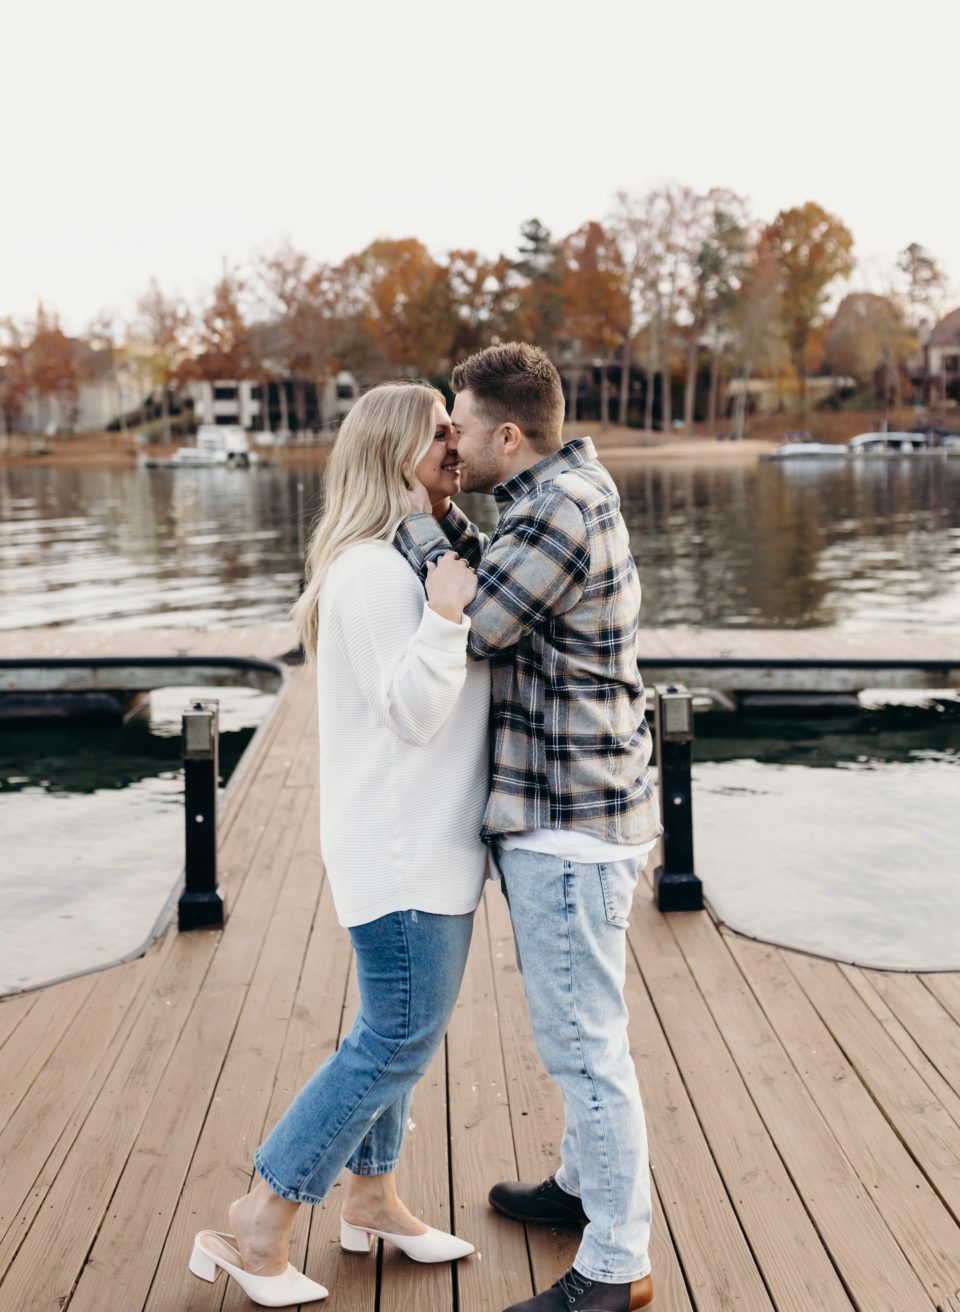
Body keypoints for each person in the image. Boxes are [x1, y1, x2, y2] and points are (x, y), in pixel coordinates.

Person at [190, 383, 490, 1308]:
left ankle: (372, 1197)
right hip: (401, 852)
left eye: (456, 426)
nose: (455, 441)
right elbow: (410, 712)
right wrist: (446, 616)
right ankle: (260, 1215)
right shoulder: (372, 573)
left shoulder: (415, 557)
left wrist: (445, 587)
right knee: (394, 1040)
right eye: (437, 431)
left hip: (428, 846)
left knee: (401, 1035)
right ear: (390, 453)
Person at [396, 343, 659, 1312]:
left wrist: (416, 528)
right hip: (580, 812)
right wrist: (452, 524)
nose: (452, 445)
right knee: (584, 1033)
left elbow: (476, 621)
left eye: (460, 427)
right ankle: (583, 1188)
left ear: (508, 433)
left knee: (585, 1047)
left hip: (570, 824)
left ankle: (614, 1264)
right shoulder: (559, 491)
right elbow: (498, 578)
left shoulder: (556, 508)